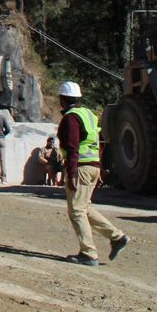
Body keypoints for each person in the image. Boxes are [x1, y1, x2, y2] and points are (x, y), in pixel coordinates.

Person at [57, 81, 129, 266]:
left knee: (77, 210)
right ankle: (117, 237)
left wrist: (71, 173)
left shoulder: (71, 118)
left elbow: (72, 147)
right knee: (85, 207)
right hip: (93, 167)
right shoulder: (87, 114)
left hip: (80, 167)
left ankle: (88, 253)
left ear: (63, 99)